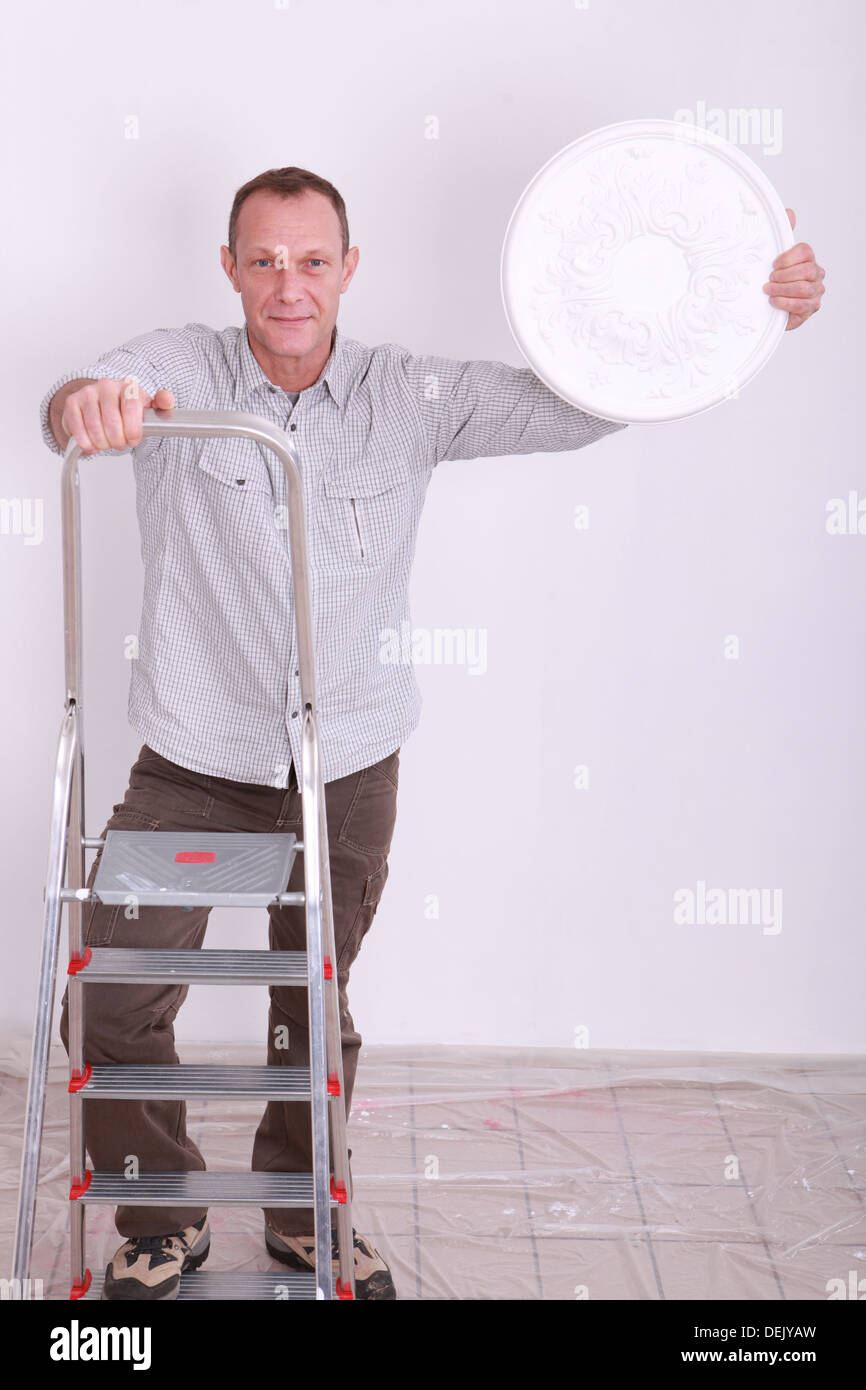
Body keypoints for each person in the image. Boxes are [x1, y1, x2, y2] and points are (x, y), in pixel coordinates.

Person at [40, 166, 826, 1301]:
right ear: (228, 269)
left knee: (313, 992)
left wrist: (745, 311)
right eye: (262, 260)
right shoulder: (177, 369)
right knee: (114, 984)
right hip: (196, 765)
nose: (288, 285)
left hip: (347, 764)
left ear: (347, 269)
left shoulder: (411, 393)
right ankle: (160, 1218)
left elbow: (579, 404)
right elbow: (80, 397)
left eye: (312, 260)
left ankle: (307, 1206)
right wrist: (89, 405)